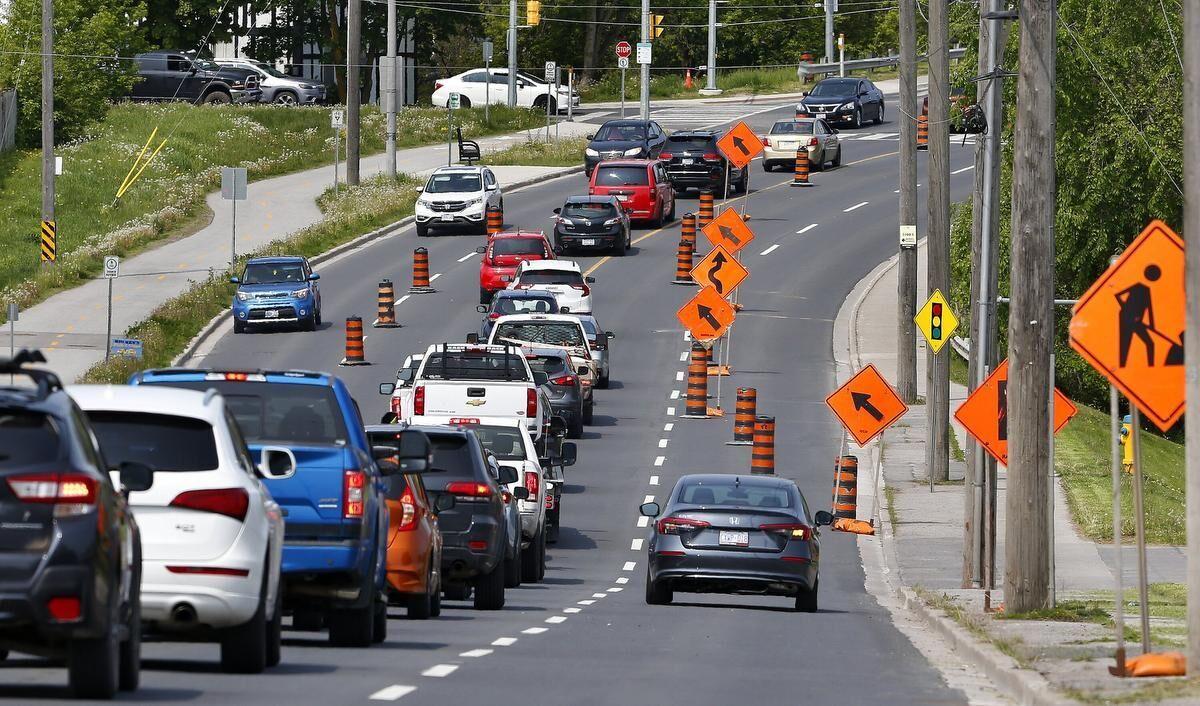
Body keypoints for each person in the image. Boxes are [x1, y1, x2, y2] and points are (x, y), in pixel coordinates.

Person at [1115, 264, 1160, 367]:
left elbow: (1150, 309)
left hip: (1137, 321)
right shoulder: (1137, 286)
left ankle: (1151, 368)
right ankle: (1122, 368)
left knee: (1150, 344)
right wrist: (1126, 309)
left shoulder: (1147, 290)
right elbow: (1118, 295)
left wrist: (1152, 326)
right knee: (1125, 345)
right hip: (1126, 318)